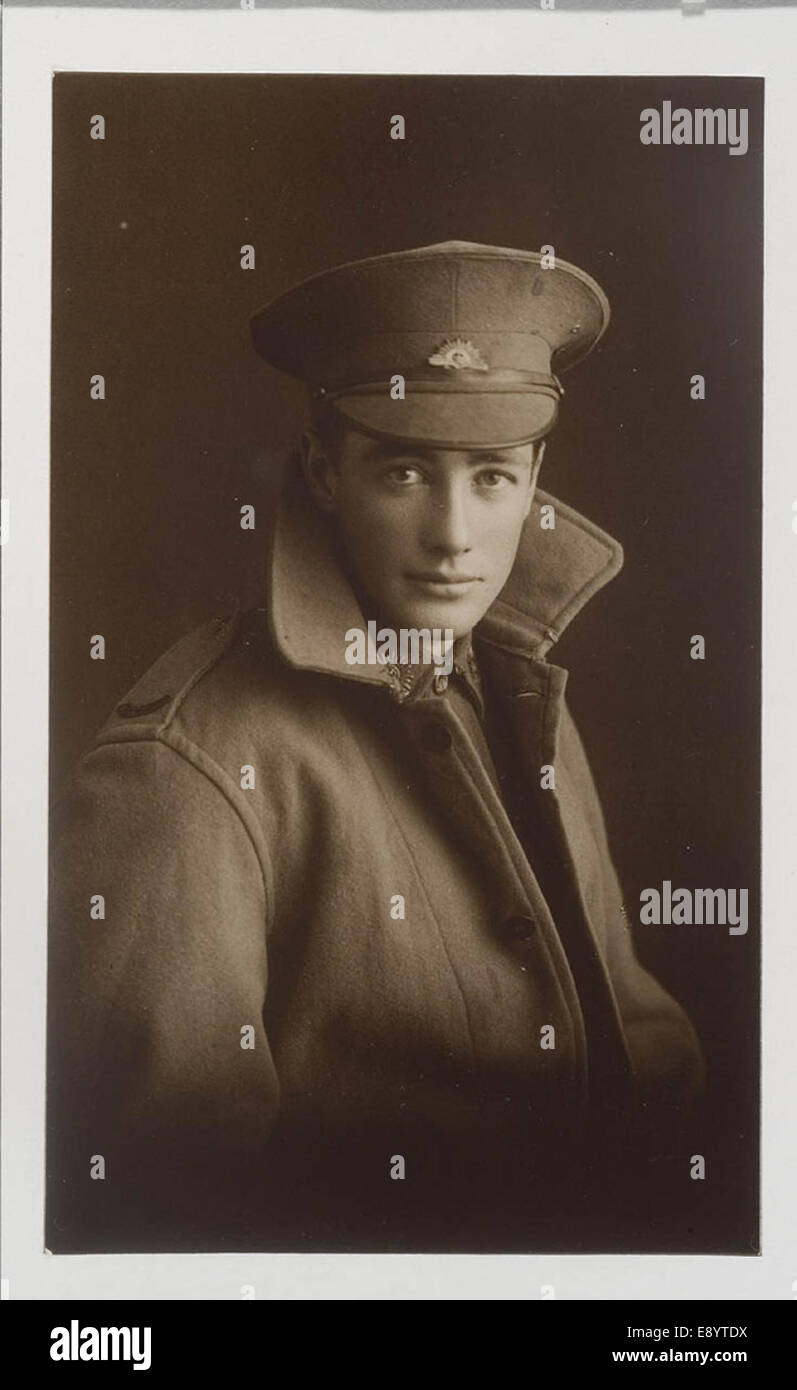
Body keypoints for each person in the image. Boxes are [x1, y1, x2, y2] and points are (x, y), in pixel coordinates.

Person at [47, 240, 705, 1254]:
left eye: (491, 477)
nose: (452, 535)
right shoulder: (186, 764)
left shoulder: (523, 690)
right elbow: (168, 1208)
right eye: (402, 470)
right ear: (322, 469)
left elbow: (637, 1041)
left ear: (533, 479)